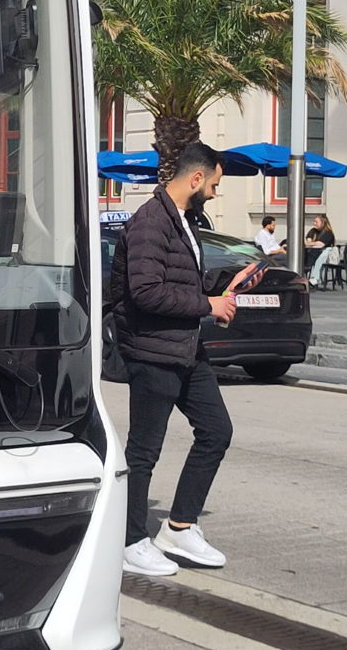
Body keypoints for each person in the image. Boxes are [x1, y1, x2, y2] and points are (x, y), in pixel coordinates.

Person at [111, 143, 261, 576]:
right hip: (152, 350)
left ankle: (178, 527)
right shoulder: (149, 222)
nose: (215, 192)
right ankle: (129, 540)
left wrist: (225, 283)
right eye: (214, 184)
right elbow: (145, 292)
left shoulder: (182, 221)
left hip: (186, 349)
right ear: (195, 179)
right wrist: (208, 305)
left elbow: (180, 279)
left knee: (216, 431)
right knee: (144, 451)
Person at [305, 213, 339, 283]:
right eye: (314, 221)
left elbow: (320, 244)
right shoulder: (313, 231)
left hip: (325, 254)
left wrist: (311, 243)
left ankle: (314, 279)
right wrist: (311, 243)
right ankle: (308, 276)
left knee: (323, 254)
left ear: (323, 222)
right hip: (313, 252)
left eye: (316, 222)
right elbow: (308, 241)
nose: (314, 223)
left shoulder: (328, 233)